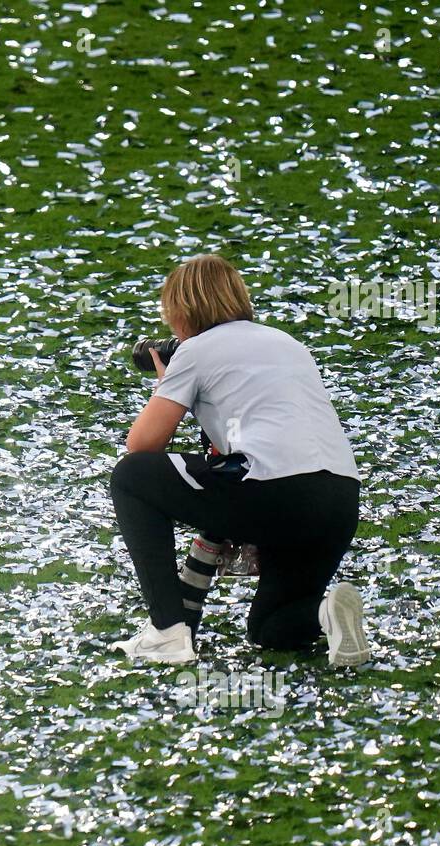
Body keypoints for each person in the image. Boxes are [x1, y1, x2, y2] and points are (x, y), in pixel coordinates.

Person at [108, 254, 369, 666]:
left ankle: (167, 631)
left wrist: (167, 387)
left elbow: (141, 445)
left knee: (130, 477)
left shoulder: (196, 350)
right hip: (338, 497)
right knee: (272, 629)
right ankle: (324, 616)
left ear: (182, 311)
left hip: (275, 490)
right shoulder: (288, 343)